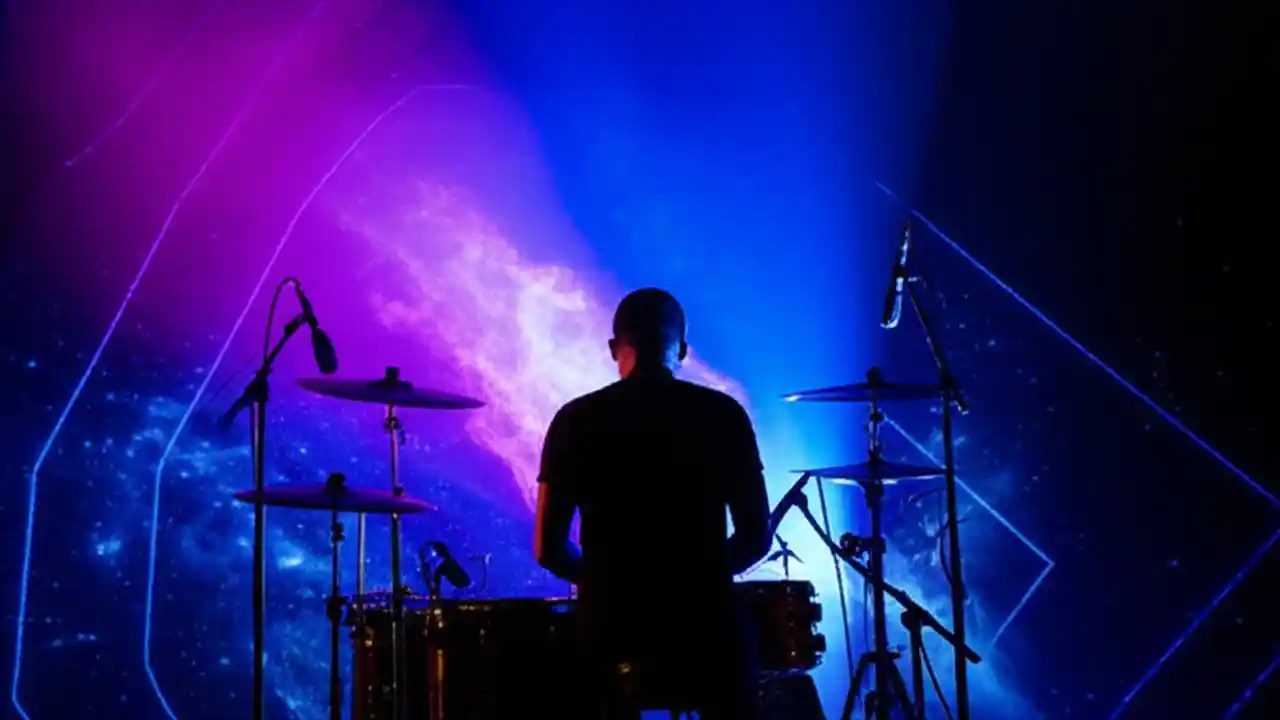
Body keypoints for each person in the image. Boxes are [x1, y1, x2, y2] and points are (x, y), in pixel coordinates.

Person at [534, 288, 772, 719]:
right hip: (704, 628)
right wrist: (700, 577)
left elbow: (548, 548)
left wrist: (609, 583)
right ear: (682, 349)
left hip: (611, 629)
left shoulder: (575, 420)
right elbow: (756, 537)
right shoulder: (723, 415)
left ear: (613, 349)